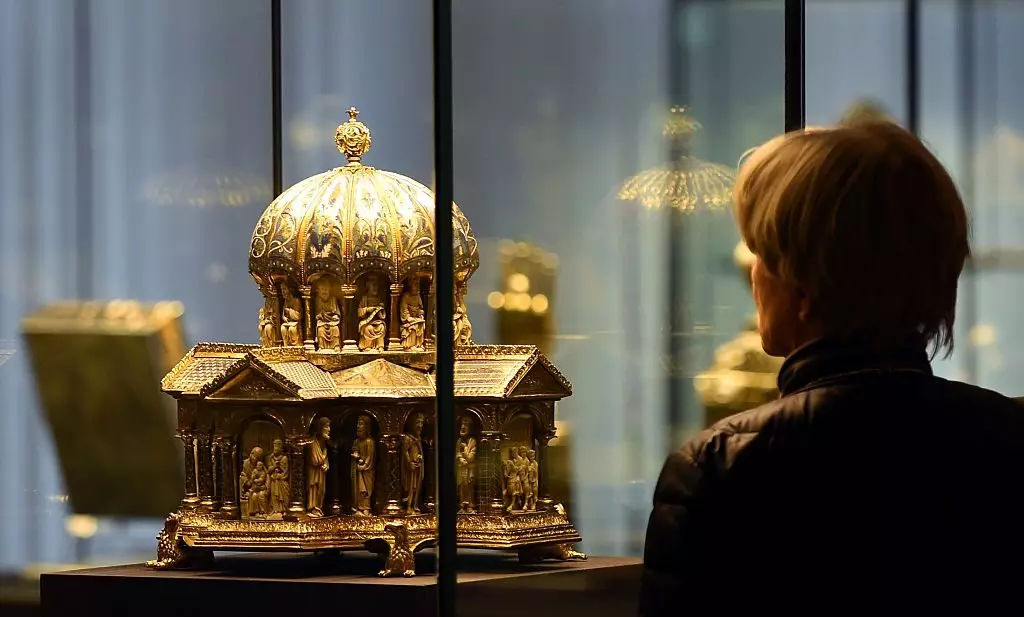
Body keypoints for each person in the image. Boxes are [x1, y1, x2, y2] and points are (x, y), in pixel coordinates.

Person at [640, 121, 1024, 615]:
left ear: (803, 287)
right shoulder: (1009, 439)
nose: (752, 273)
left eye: (760, 252)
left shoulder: (720, 467)